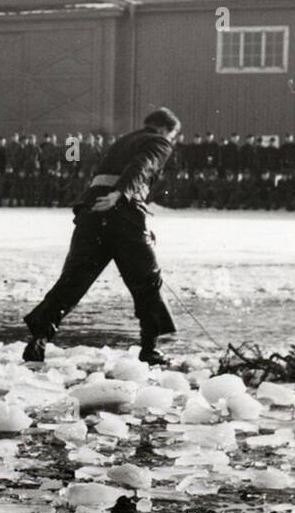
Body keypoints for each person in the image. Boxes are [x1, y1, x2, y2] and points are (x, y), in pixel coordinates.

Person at [22, 107, 181, 365]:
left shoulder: (122, 141)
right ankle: (150, 349)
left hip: (92, 213)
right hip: (123, 214)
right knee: (147, 283)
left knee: (72, 281)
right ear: (165, 130)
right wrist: (121, 194)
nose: (171, 141)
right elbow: (143, 165)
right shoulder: (159, 141)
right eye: (173, 136)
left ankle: (38, 340)